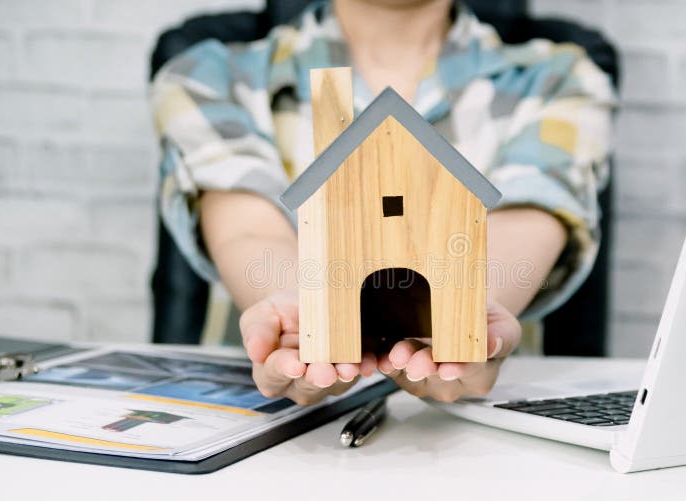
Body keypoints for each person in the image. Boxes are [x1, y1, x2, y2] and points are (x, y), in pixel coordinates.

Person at [150, 0, 615, 405]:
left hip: (480, 436)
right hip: (273, 436)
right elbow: (249, 229)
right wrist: (310, 316)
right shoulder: (209, 76)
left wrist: (467, 315)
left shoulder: (560, 78)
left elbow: (528, 217)